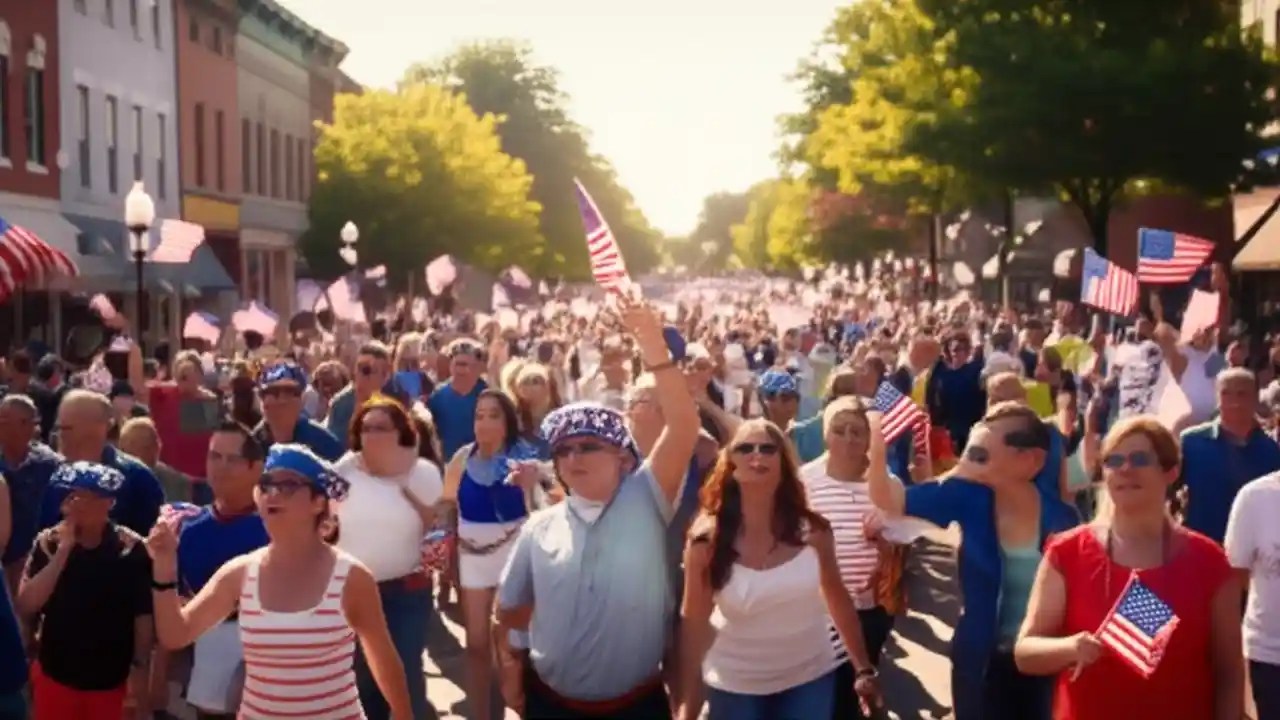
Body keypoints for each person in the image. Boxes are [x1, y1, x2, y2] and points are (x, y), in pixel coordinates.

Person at [495, 297, 699, 719]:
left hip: (635, 707)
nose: (574, 458)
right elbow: (509, 612)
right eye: (564, 450)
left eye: (589, 447)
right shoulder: (539, 528)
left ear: (624, 460)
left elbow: (683, 425)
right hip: (550, 705)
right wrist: (512, 670)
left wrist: (651, 344)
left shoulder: (645, 498)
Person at [145, 444, 413, 720]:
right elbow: (176, 634)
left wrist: (403, 714)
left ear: (318, 503)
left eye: (288, 485)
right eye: (266, 485)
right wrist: (164, 564)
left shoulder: (352, 578)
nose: (272, 494)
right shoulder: (239, 573)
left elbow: (382, 657)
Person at [1015, 416, 1244, 720]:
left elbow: (1229, 673)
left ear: (1170, 472)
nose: (1125, 469)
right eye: (1114, 460)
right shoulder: (1067, 552)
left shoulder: (1209, 560)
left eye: (1140, 458)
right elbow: (1025, 653)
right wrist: (1071, 648)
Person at [866, 401, 1079, 720]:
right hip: (981, 663)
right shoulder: (965, 497)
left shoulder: (1063, 520)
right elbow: (888, 501)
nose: (969, 462)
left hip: (1043, 663)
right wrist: (877, 440)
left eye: (981, 454)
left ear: (1030, 460)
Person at [677, 418, 880, 720]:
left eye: (767, 448)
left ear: (783, 461)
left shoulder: (815, 532)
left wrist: (863, 668)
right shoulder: (706, 542)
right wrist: (687, 708)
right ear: (730, 463)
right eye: (745, 448)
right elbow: (694, 624)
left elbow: (837, 598)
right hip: (735, 684)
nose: (756, 455)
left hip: (810, 676)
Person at [18, 462, 154, 720]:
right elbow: (26, 604)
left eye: (85, 497)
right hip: (55, 676)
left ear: (108, 503)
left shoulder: (130, 549)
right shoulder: (48, 543)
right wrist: (63, 552)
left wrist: (140, 670)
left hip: (110, 682)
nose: (76, 505)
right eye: (71, 496)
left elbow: (143, 617)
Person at [334, 396, 442, 720]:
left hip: (406, 592)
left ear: (401, 432)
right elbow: (322, 516)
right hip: (355, 593)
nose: (372, 435)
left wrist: (399, 484)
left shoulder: (423, 472)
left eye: (381, 428)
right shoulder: (345, 469)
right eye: (365, 428)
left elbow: (436, 527)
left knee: (404, 676)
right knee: (364, 681)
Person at [440, 389, 541, 720]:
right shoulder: (462, 459)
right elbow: (447, 505)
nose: (483, 422)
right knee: (476, 645)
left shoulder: (523, 458)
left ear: (506, 421)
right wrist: (443, 545)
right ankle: (482, 714)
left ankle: (523, 708)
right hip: (472, 558)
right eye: (479, 415)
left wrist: (534, 481)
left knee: (511, 644)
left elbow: (549, 494)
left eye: (493, 415)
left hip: (514, 555)